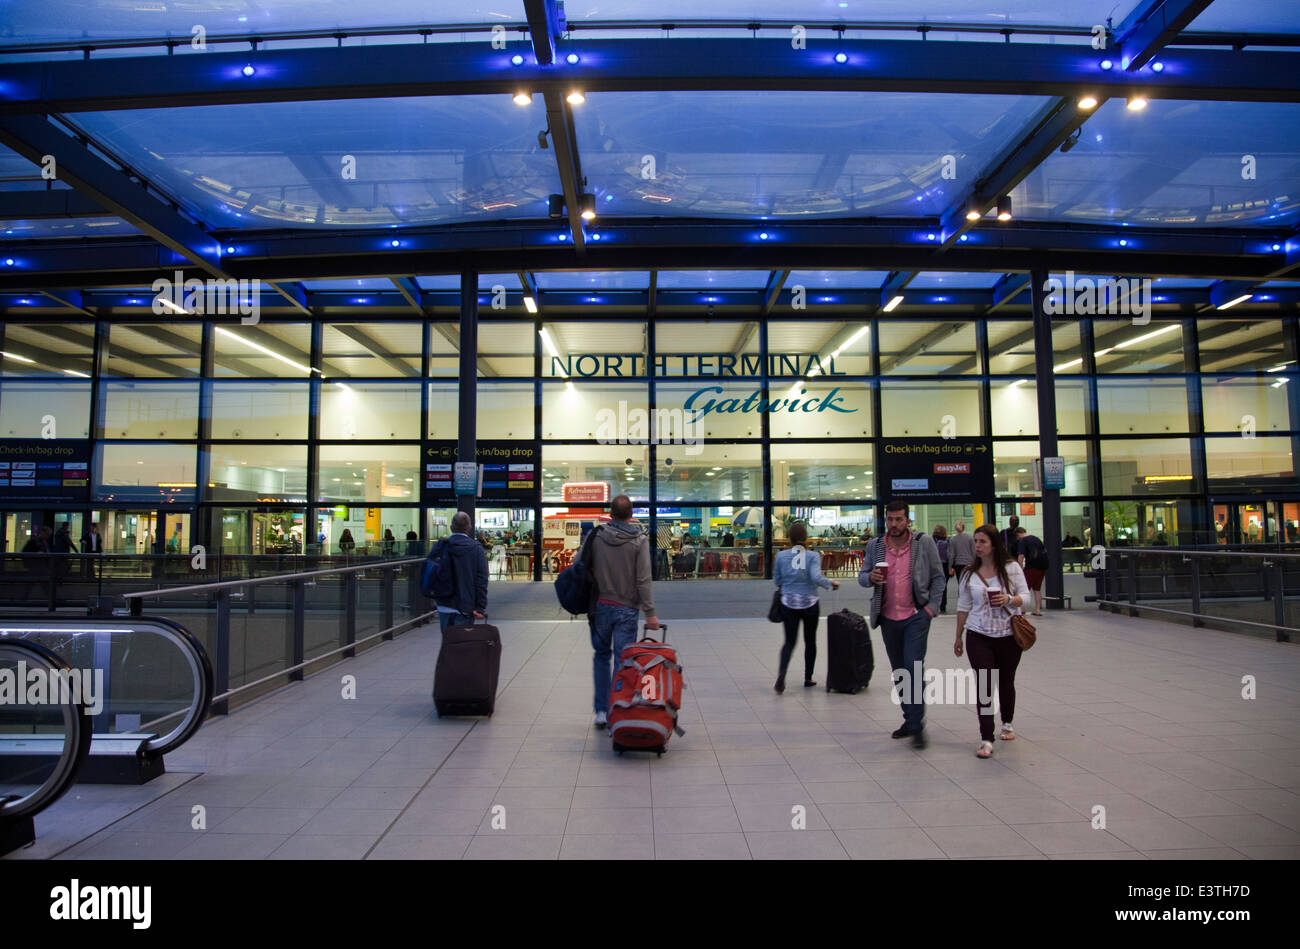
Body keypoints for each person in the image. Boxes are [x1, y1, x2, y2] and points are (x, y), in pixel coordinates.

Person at [859, 501, 946, 748]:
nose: (894, 524)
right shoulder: (875, 546)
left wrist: (931, 609)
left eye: (899, 519)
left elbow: (939, 577)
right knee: (900, 672)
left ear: (908, 520)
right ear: (885, 520)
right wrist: (870, 577)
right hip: (887, 617)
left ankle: (917, 725)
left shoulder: (923, 543)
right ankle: (910, 719)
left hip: (916, 615)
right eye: (890, 519)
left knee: (913, 666)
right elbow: (862, 577)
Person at [580, 494, 659, 729]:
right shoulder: (639, 541)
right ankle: (618, 706)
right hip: (627, 608)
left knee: (601, 656)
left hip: (601, 606)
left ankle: (601, 711)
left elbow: (578, 565)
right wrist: (650, 612)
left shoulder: (595, 536)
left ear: (611, 514)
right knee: (624, 660)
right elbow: (643, 579)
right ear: (632, 515)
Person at [953, 525, 1031, 759]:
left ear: (994, 544)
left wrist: (1009, 599)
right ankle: (986, 737)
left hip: (1008, 635)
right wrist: (958, 636)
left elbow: (1025, 597)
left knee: (1006, 681)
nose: (977, 546)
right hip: (978, 634)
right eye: (975, 541)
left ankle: (1007, 721)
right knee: (985, 683)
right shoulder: (969, 573)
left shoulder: (1012, 568)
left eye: (982, 542)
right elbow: (963, 606)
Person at [772, 521, 839, 693]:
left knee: (789, 642)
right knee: (810, 641)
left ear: (789, 539)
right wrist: (829, 583)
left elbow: (777, 581)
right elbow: (815, 577)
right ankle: (808, 678)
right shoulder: (813, 556)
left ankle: (782, 673)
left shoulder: (781, 556)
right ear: (806, 538)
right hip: (810, 603)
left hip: (788, 602)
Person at [429, 511, 489, 631]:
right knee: (463, 644)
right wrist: (480, 607)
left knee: (447, 642)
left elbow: (431, 573)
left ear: (451, 528)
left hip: (444, 603)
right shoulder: (476, 548)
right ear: (469, 528)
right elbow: (481, 580)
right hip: (465, 606)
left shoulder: (440, 546)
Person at [1014, 526, 1047, 616]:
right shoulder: (1036, 538)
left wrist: (1019, 569)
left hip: (1031, 567)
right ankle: (1037, 610)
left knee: (1024, 588)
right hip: (1042, 567)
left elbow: (1021, 556)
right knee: (1037, 589)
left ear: (1018, 534)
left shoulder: (1023, 541)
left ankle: (1022, 609)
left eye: (1017, 537)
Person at [948, 521, 975, 593]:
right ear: (964, 528)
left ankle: (962, 599)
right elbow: (974, 552)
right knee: (970, 583)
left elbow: (951, 554)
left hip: (958, 564)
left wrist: (950, 567)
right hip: (970, 563)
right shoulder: (970, 538)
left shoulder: (953, 539)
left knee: (960, 583)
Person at [932, 525, 951, 613]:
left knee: (935, 584)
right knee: (944, 586)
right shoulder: (947, 541)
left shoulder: (932, 540)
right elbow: (950, 555)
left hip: (935, 564)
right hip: (945, 565)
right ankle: (943, 605)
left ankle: (935, 604)